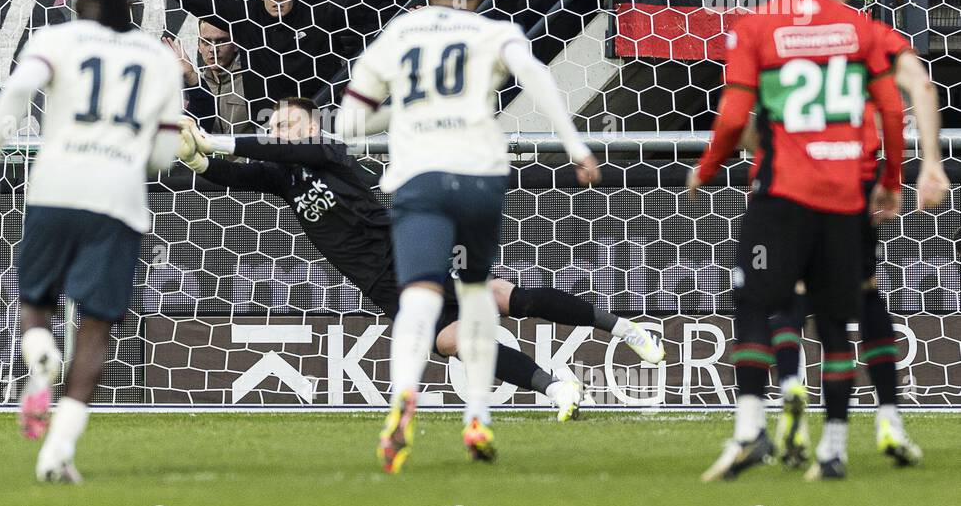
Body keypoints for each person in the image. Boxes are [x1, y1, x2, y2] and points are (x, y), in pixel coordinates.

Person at [177, 95, 664, 420]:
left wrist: (215, 139)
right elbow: (233, 175)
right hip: (381, 283)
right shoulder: (284, 177)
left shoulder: (327, 148)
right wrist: (195, 156)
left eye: (286, 123)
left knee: (499, 297)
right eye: (275, 126)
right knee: (455, 341)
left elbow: (279, 151)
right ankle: (556, 389)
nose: (279, 131)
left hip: (406, 248)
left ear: (308, 124)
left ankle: (625, 329)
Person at [337, 0, 603, 472]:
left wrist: (408, 111)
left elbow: (350, 123)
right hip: (480, 177)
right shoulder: (494, 31)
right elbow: (538, 78)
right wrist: (575, 145)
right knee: (477, 293)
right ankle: (478, 415)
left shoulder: (402, 31)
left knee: (419, 296)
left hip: (421, 180)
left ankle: (403, 401)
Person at [692, 0, 906, 482]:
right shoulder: (859, 28)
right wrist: (893, 177)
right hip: (845, 194)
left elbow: (735, 115)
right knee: (838, 319)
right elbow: (890, 109)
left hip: (783, 191)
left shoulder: (756, 28)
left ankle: (749, 430)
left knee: (758, 301)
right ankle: (833, 450)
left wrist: (707, 169)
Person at [0, 0, 184, 484]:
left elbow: (15, 96)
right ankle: (57, 452)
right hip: (117, 197)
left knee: (36, 302)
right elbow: (164, 156)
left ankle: (40, 354)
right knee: (96, 325)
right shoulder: (157, 57)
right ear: (130, 4)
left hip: (54, 187)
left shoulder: (56, 38)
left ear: (79, 1)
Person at [763, 0, 949, 470]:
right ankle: (875, 423)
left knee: (791, 294)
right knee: (859, 301)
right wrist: (924, 166)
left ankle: (793, 386)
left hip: (790, 185)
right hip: (854, 181)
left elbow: (747, 115)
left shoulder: (773, 29)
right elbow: (916, 88)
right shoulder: (864, 32)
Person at [130, 0, 347, 124]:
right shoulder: (247, 15)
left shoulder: (321, 12)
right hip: (268, 126)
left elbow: (358, 15)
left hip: (319, 121)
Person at [164, 17, 259, 134]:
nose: (213, 49)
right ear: (198, 46)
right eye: (206, 42)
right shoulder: (195, 86)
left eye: (221, 41)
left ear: (236, 44)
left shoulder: (254, 81)